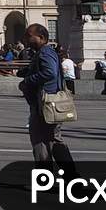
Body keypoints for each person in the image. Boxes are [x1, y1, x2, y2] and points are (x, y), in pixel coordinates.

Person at [21, 23, 74, 171]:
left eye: (29, 36)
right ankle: (72, 177)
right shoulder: (46, 52)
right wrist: (26, 72)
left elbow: (49, 72)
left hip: (44, 104)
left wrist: (27, 81)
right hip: (49, 104)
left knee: (40, 141)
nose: (25, 38)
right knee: (54, 140)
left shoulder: (45, 52)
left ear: (41, 37)